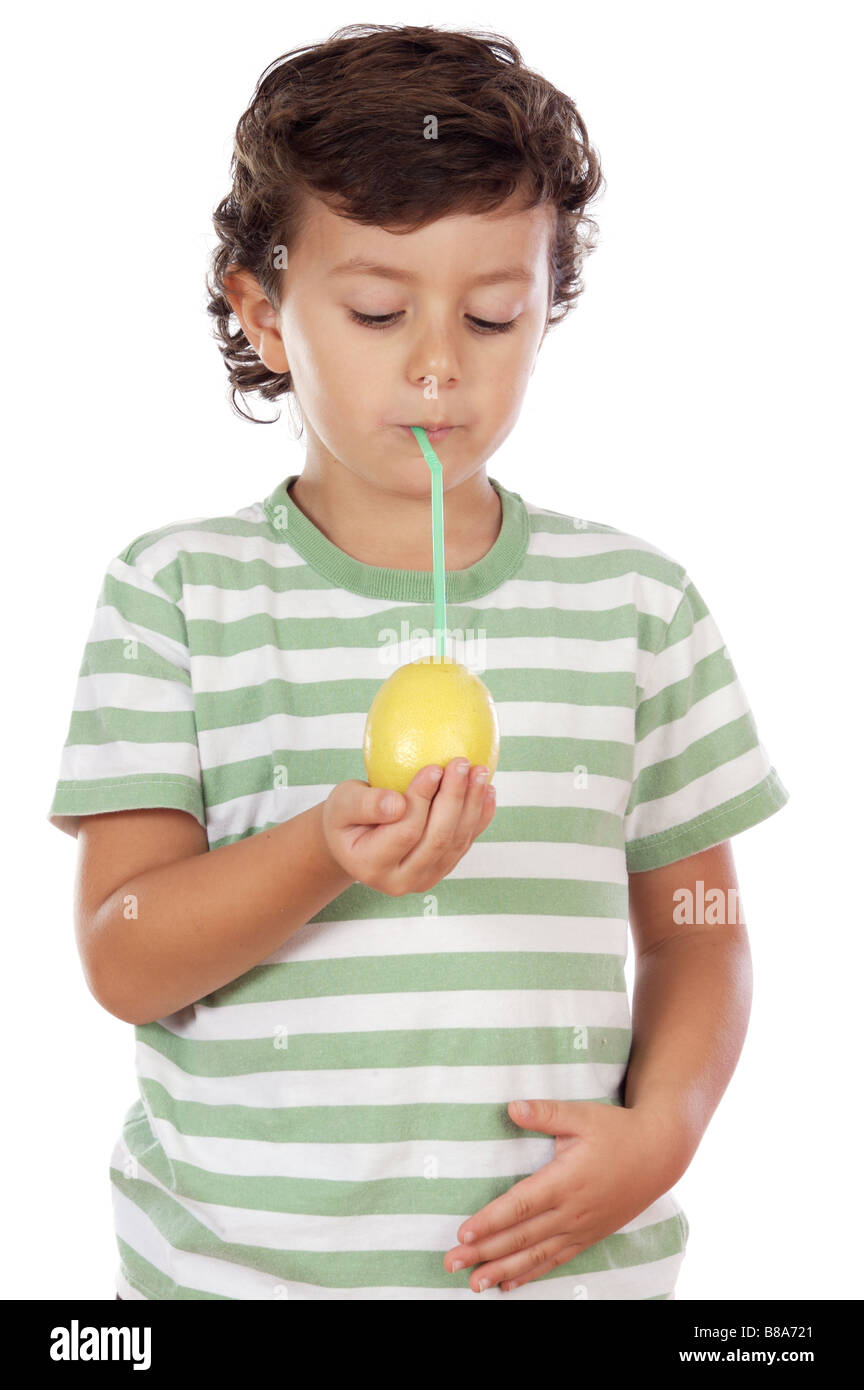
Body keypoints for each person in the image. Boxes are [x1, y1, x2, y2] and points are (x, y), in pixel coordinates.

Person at [47, 23, 789, 1301]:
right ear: (263, 314)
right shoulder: (175, 594)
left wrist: (661, 1134)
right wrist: (321, 853)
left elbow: (700, 931)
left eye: (495, 312)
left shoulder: (636, 604)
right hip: (236, 1282)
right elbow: (124, 952)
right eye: (381, 309)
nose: (442, 362)